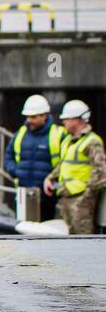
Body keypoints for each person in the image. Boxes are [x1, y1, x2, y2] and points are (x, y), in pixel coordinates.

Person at [42, 100, 104, 234]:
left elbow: (100, 172)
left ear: (78, 120)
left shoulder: (92, 142)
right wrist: (50, 178)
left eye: (67, 119)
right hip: (65, 196)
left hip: (81, 200)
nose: (64, 122)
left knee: (83, 238)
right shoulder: (68, 141)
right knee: (64, 238)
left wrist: (87, 197)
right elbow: (63, 163)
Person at [4, 94, 66, 222]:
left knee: (45, 230)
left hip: (47, 195)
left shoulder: (58, 135)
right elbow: (8, 155)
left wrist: (54, 182)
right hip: (23, 192)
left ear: (44, 115)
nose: (29, 120)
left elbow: (65, 162)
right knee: (23, 228)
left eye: (33, 117)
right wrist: (15, 172)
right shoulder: (21, 134)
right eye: (28, 117)